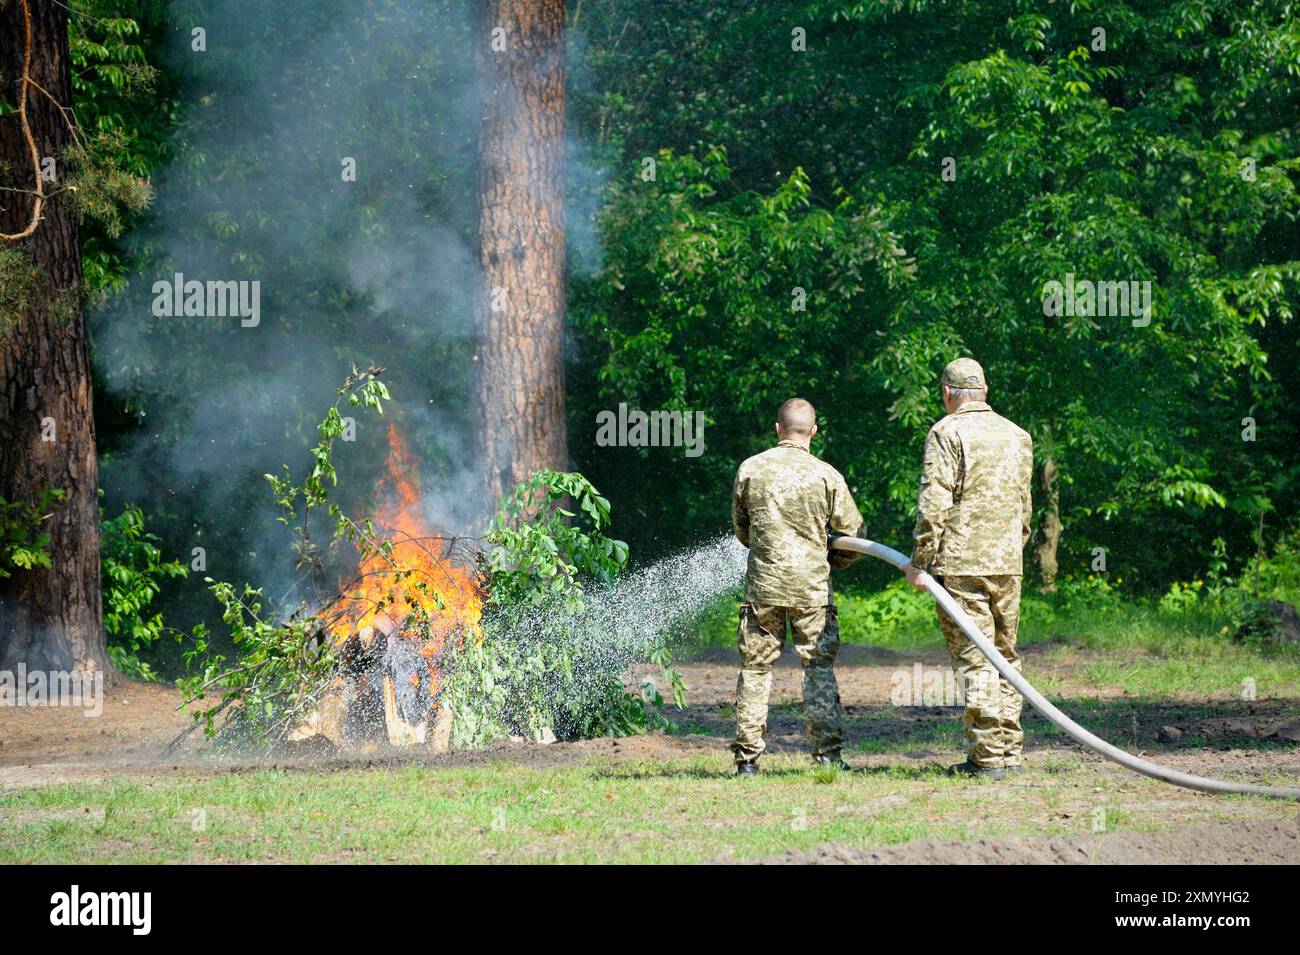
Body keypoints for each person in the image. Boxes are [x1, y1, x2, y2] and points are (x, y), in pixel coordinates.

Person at [904, 358, 1033, 780]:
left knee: (976, 658)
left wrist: (920, 561)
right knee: (1006, 656)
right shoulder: (1018, 435)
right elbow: (1025, 506)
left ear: (946, 393)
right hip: (1007, 563)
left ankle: (987, 757)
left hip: (961, 564)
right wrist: (1014, 549)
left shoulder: (947, 432)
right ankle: (1009, 751)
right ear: (986, 390)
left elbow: (934, 502)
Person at [730, 398, 864, 776]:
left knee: (755, 671)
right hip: (812, 592)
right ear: (813, 432)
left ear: (778, 429)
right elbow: (853, 533)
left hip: (763, 590)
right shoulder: (827, 475)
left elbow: (742, 530)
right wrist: (833, 560)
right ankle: (828, 757)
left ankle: (747, 762)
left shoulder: (750, 469)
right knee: (817, 669)